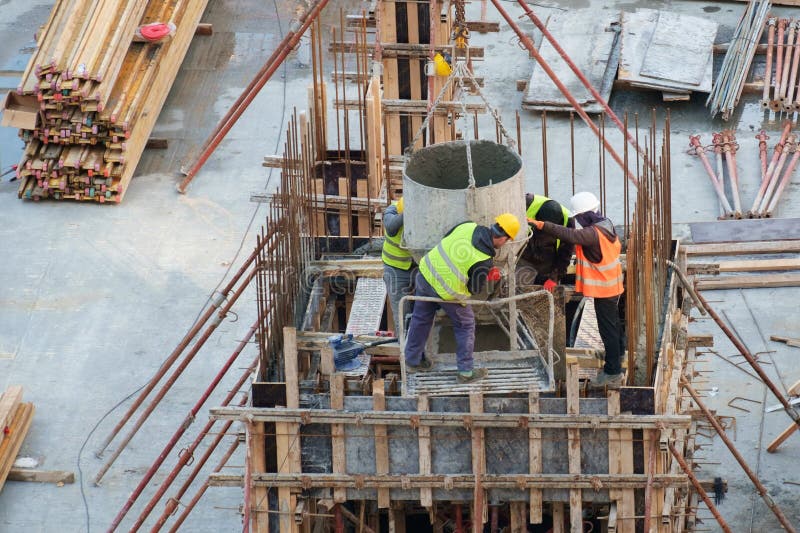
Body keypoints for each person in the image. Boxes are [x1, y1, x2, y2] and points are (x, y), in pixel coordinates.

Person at [403, 213, 520, 384]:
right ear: (504, 238)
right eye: (507, 240)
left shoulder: (468, 225)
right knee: (465, 324)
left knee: (421, 317)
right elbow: (473, 289)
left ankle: (412, 361)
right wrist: (488, 276)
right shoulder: (484, 260)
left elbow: (446, 239)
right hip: (447, 291)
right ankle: (465, 372)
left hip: (426, 272)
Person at [530, 192, 625, 388]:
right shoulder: (605, 223)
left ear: (584, 214)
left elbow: (570, 235)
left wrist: (542, 225)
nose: (578, 221)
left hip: (605, 290)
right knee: (614, 325)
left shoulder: (592, 234)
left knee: (607, 330)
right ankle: (619, 353)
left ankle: (613, 372)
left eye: (579, 217)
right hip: (613, 284)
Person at [519, 193, 576, 290]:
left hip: (548, 259)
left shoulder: (568, 221)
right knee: (519, 290)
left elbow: (565, 253)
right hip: (523, 254)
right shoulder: (522, 204)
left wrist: (554, 278)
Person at [382, 197, 416, 334]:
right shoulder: (393, 210)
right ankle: (405, 347)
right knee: (402, 313)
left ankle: (421, 347)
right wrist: (407, 215)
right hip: (395, 269)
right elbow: (390, 227)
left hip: (420, 268)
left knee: (423, 309)